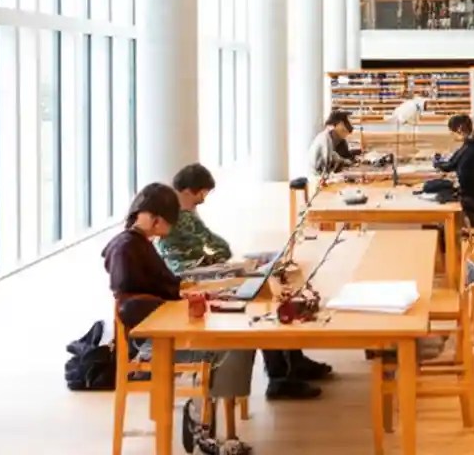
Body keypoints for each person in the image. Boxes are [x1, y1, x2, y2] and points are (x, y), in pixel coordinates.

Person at [156, 164, 332, 400]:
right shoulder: (183, 217)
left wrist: (218, 262)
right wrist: (219, 262)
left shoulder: (174, 214)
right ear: (187, 191)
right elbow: (219, 247)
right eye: (201, 196)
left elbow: (207, 249)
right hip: (194, 280)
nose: (202, 202)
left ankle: (289, 364)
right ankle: (281, 374)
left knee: (265, 290)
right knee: (262, 297)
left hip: (196, 275)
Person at [103, 183, 255, 454]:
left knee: (236, 340)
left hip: (162, 328)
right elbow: (131, 302)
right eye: (168, 221)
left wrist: (187, 296)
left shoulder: (136, 244)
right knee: (235, 344)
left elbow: (160, 288)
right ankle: (204, 425)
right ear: (154, 217)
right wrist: (175, 302)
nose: (170, 228)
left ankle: (207, 423)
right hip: (152, 342)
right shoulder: (127, 248)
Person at [433, 114, 474, 228]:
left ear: (459, 129)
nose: (451, 134)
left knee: (441, 212)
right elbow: (454, 163)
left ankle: (448, 238)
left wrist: (437, 163)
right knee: (443, 196)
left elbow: (451, 165)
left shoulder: (471, 148)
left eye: (452, 131)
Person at [308, 110, 357, 179]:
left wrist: (348, 162)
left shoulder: (335, 139)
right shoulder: (325, 140)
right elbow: (325, 171)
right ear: (339, 124)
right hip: (316, 179)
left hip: (323, 177)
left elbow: (337, 157)